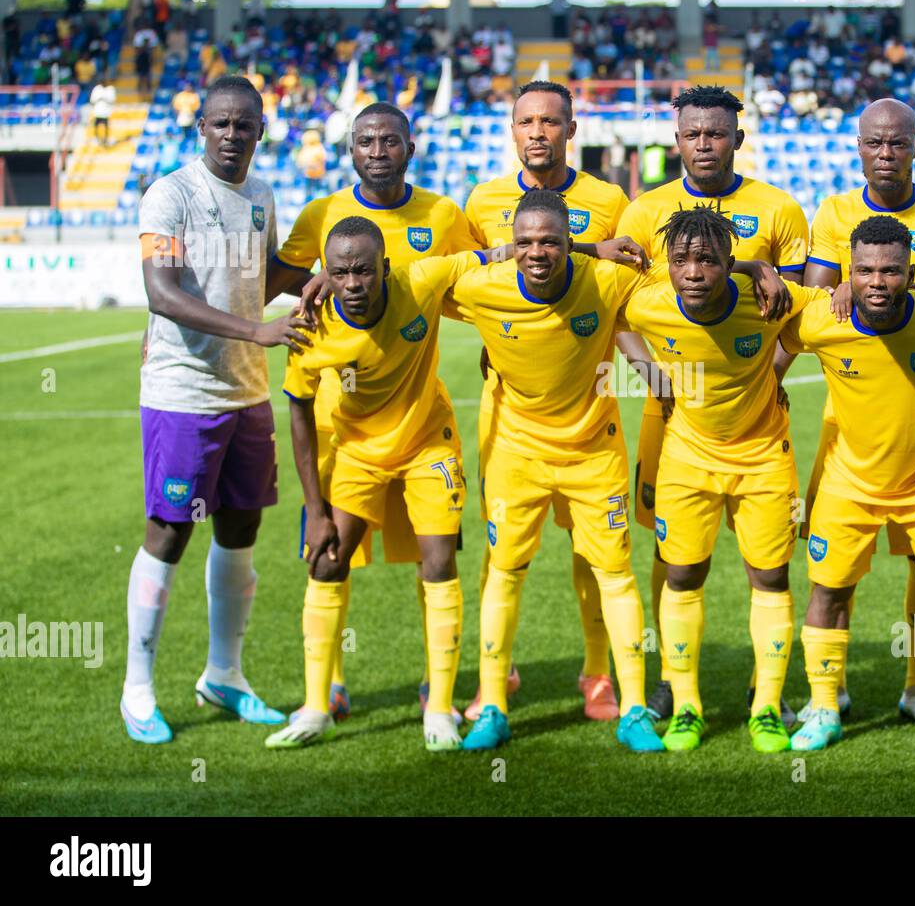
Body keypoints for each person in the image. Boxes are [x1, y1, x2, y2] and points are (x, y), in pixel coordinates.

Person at [442, 189, 679, 754]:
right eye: (524, 243)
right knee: (505, 571)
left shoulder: (607, 281)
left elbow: (692, 279)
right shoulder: (481, 289)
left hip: (594, 455)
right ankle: (493, 703)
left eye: (551, 241)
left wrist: (752, 269)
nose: (537, 252)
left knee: (614, 573)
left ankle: (635, 708)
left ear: (572, 244)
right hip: (515, 456)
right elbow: (411, 281)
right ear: (509, 247)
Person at [275, 102, 481, 722]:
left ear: (410, 148)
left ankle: (437, 687)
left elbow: (487, 274)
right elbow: (272, 283)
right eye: (365, 141)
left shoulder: (443, 215)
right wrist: (317, 285)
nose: (378, 151)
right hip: (346, 424)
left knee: (435, 555)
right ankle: (327, 688)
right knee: (333, 552)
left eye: (391, 141)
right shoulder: (322, 214)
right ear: (351, 150)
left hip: (419, 414)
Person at [124, 76, 314, 744]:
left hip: (246, 392)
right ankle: (137, 689)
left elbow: (259, 280)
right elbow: (162, 293)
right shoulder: (170, 194)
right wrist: (261, 330)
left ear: (262, 132)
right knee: (170, 532)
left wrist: (306, 279)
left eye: (246, 125)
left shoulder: (261, 195)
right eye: (221, 124)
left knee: (240, 530)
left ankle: (223, 675)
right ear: (200, 126)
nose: (233, 135)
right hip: (183, 394)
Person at [615, 85, 810, 723]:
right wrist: (652, 374)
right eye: (692, 134)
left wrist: (769, 370)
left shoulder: (778, 208)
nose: (704, 144)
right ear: (677, 141)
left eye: (716, 133)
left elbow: (798, 310)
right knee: (671, 549)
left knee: (767, 563)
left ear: (737, 139)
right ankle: (672, 679)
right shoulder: (645, 210)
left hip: (753, 405)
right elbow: (618, 304)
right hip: (671, 412)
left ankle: (767, 691)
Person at [797, 99, 915, 727]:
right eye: (874, 144)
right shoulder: (834, 212)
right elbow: (814, 302)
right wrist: (838, 289)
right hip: (849, 414)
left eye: (898, 144)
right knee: (838, 567)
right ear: (858, 147)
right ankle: (833, 692)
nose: (886, 154)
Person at [460, 80, 646, 722]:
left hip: (589, 408)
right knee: (501, 551)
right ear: (512, 131)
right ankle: (495, 673)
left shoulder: (607, 198)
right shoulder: (483, 200)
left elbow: (616, 293)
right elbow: (472, 277)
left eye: (549, 121)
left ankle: (599, 672)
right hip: (508, 409)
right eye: (525, 122)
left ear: (572, 128)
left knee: (594, 555)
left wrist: (642, 365)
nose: (537, 132)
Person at [778, 215, 915, 754]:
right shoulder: (821, 320)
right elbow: (772, 315)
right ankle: (826, 706)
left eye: (891, 272)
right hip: (848, 480)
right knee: (827, 589)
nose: (877, 282)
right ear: (849, 272)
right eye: (865, 271)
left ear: (911, 270)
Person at [133, 24, 159, 95]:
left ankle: (148, 89)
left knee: (148, 78)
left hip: (147, 67)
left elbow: (151, 60)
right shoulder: (141, 52)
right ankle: (139, 89)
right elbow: (138, 61)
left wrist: (152, 60)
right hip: (142, 67)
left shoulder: (148, 52)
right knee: (141, 78)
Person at [90, 78, 116, 146]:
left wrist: (104, 99)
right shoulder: (97, 89)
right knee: (96, 126)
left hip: (106, 113)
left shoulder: (110, 89)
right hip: (97, 112)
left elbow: (112, 100)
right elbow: (92, 100)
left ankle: (106, 140)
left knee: (106, 127)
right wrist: (100, 99)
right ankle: (97, 139)